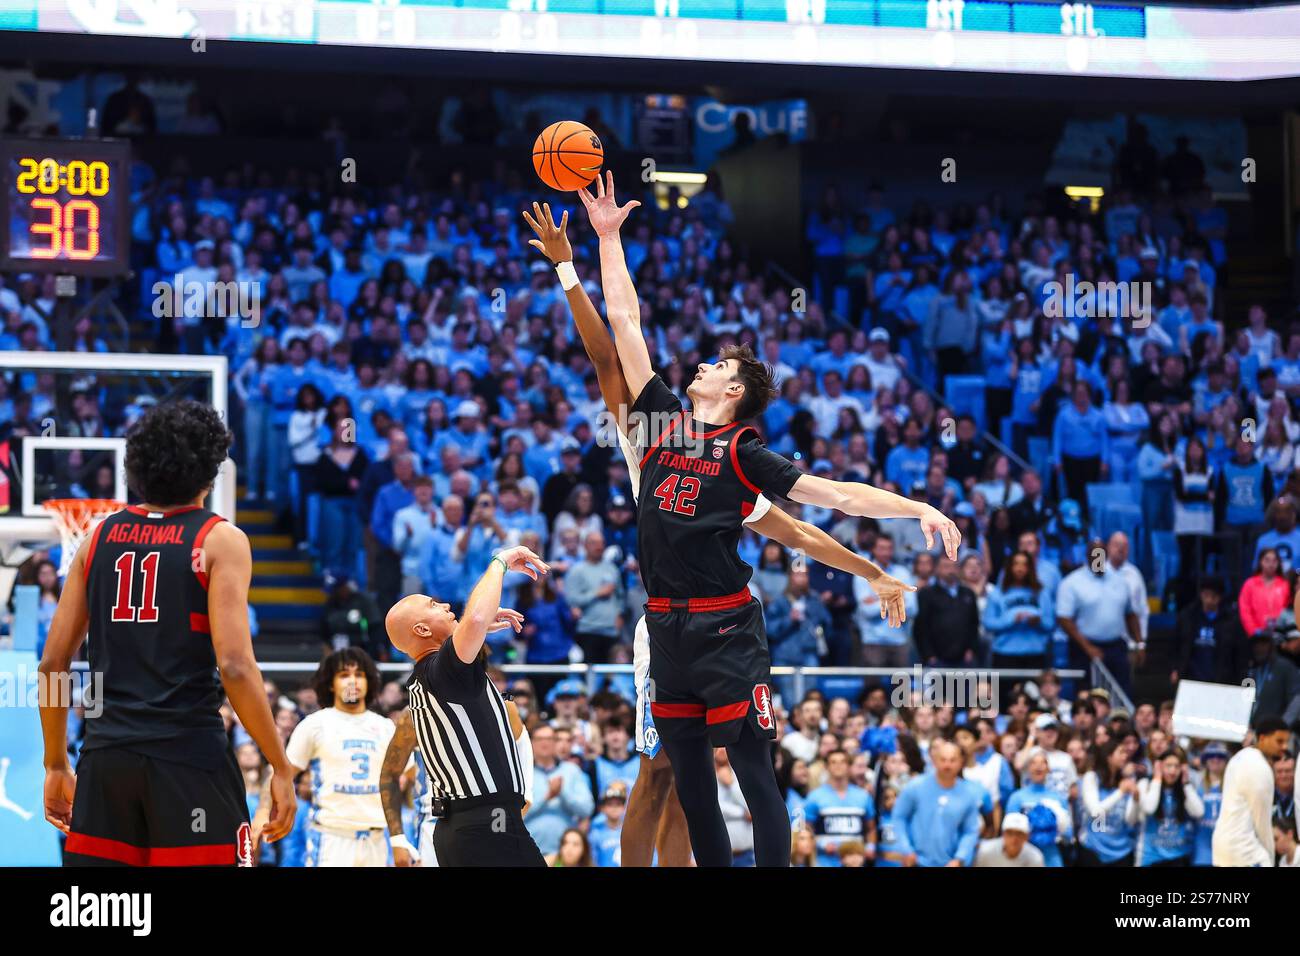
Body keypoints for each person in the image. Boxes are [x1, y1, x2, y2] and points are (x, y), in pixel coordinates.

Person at [523, 198, 917, 868]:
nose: (700, 365)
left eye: (715, 366)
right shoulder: (652, 423)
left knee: (723, 778)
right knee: (663, 777)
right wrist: (584, 257)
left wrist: (873, 567)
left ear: (733, 395)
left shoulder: (734, 458)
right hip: (664, 621)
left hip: (722, 617)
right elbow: (612, 338)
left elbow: (802, 531)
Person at [39, 399, 296, 864]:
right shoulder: (220, 540)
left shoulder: (96, 538)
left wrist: (56, 762)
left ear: (135, 467)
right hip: (188, 760)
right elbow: (235, 666)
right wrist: (279, 765)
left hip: (105, 761)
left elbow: (53, 664)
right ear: (211, 471)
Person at [383, 543, 548, 866]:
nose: (445, 605)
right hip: (487, 827)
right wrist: (500, 562)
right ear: (421, 629)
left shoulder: (428, 677)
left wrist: (477, 629)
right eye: (433, 605)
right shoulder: (442, 671)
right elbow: (473, 618)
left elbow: (472, 630)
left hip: (462, 830)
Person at [270, 649, 394, 867]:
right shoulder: (315, 724)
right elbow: (282, 774)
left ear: (369, 681)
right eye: (344, 675)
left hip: (377, 838)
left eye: (359, 675)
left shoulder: (386, 727)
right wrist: (262, 814)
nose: (353, 681)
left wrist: (399, 839)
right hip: (333, 838)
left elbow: (403, 784)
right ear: (330, 683)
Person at [1056, 537, 1143, 698]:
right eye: (1094, 553)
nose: (1098, 557)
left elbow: (1130, 613)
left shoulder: (1120, 581)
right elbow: (1064, 620)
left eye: (1101, 553)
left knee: (1122, 693)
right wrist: (1087, 647)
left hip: (1116, 646)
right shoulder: (1072, 582)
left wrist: (1139, 643)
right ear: (1087, 555)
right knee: (1086, 695)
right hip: (1083, 648)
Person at [1213, 715, 1293, 866]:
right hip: (1245, 853)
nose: (1285, 747)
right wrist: (1269, 859)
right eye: (1279, 741)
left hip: (1222, 847)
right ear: (1262, 738)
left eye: (1286, 742)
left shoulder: (1240, 756)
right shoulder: (1260, 769)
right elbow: (1262, 824)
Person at [890, 740, 984, 867]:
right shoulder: (915, 786)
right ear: (934, 761)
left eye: (952, 760)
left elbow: (971, 830)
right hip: (917, 861)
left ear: (961, 762)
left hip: (950, 863)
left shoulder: (968, 795)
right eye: (943, 759)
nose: (947, 765)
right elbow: (899, 817)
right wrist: (906, 849)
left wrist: (960, 858)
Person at [801, 748, 876, 867]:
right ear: (826, 767)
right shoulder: (814, 796)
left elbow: (871, 829)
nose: (838, 766)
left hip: (855, 862)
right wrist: (821, 844)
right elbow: (805, 829)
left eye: (842, 762)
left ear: (849, 766)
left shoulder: (863, 796)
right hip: (825, 862)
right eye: (833, 762)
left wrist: (870, 847)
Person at [1136, 747, 1203, 866]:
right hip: (1151, 857)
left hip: (1177, 857)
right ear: (1159, 766)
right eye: (1168, 766)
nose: (1172, 771)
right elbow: (1149, 808)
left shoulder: (1184, 789)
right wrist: (1157, 778)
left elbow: (1198, 812)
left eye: (1177, 766)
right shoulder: (1146, 784)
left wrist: (1186, 783)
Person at [973, 811, 1044, 867]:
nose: (1014, 838)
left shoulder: (1035, 857)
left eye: (1019, 834)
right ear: (1003, 834)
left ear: (1026, 837)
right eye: (1010, 833)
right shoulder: (986, 851)